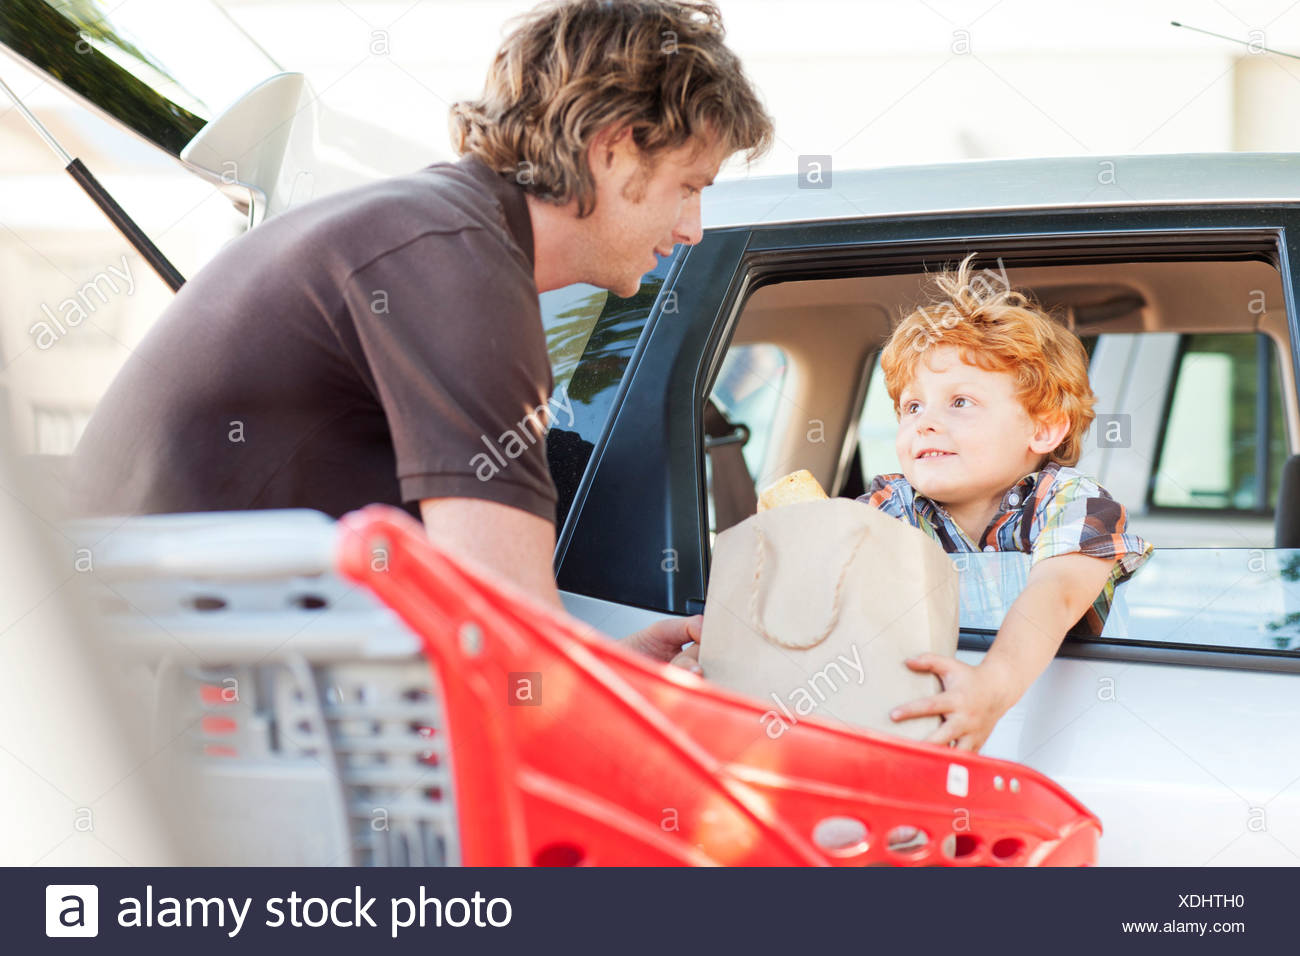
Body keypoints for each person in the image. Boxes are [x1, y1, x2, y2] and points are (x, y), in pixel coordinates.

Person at [69, 0, 774, 662]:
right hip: (140, 716)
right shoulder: (458, 269)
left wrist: (617, 670)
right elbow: (508, 645)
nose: (692, 228)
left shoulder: (437, 232)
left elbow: (509, 642)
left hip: (151, 682)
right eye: (690, 186)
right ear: (613, 149)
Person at [862, 253, 1153, 752]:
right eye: (912, 405)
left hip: (1073, 727)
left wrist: (989, 688)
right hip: (912, 725)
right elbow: (824, 575)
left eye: (960, 402)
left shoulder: (1073, 502)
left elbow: (1056, 595)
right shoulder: (892, 506)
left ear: (1043, 427)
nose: (924, 421)